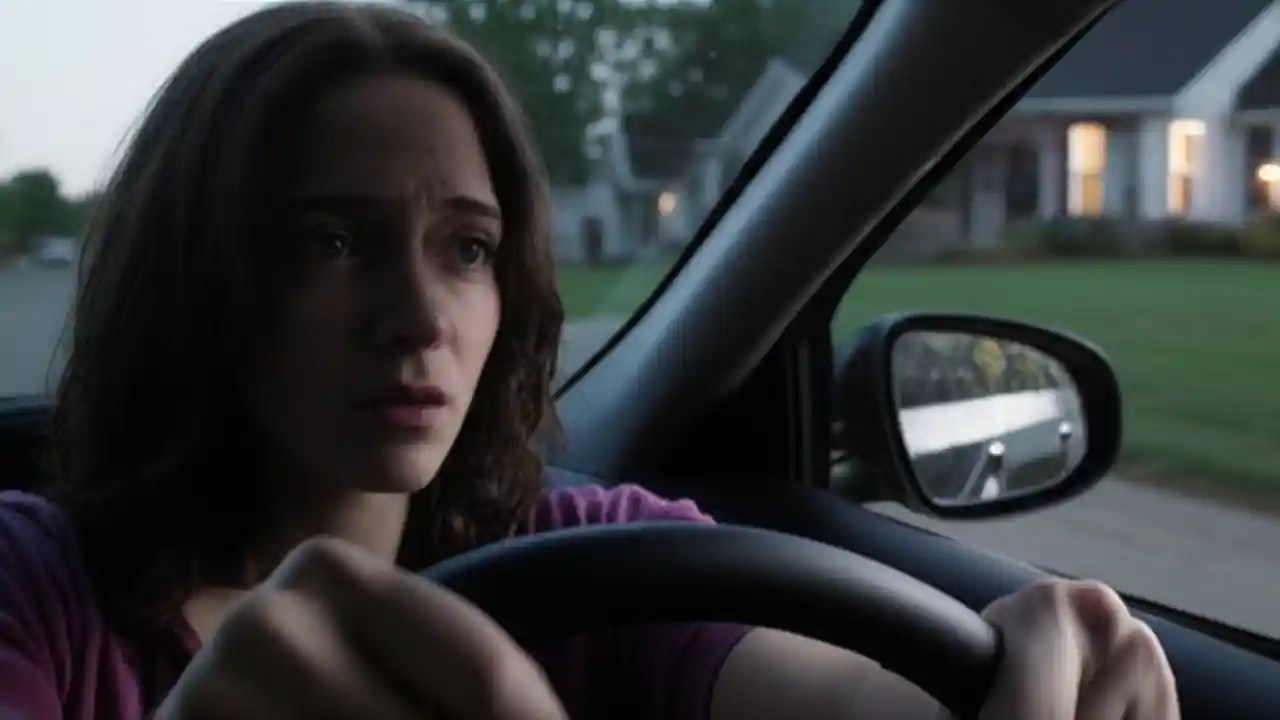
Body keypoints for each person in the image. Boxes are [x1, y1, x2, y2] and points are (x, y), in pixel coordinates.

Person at [0, 3, 1178, 719]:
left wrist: (1020, 666)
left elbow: (838, 696)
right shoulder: (33, 586)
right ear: (198, 274)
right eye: (333, 242)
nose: (419, 317)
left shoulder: (593, 555)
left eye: (467, 248)